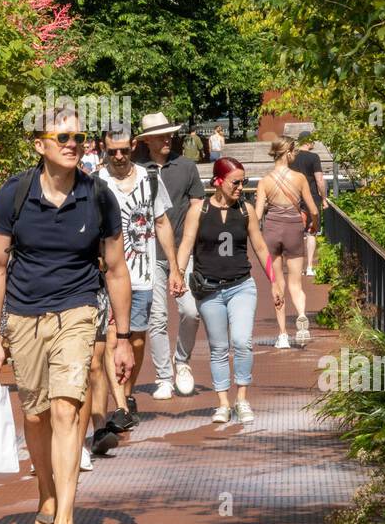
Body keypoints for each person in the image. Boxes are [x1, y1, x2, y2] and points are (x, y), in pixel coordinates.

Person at [0, 108, 134, 524]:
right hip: (24, 314)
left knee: (67, 407)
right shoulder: (15, 193)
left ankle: (66, 517)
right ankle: (46, 494)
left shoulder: (98, 196)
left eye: (79, 137)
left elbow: (116, 269)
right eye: (63, 137)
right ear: (40, 145)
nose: (73, 144)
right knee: (36, 413)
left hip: (78, 310)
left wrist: (121, 338)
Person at [177, 156, 281, 425]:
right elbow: (187, 243)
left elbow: (259, 247)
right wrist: (176, 274)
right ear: (218, 182)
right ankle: (223, 403)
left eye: (244, 182)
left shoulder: (245, 211)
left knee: (243, 342)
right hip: (209, 290)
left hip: (241, 287)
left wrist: (274, 280)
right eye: (236, 182)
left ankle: (242, 399)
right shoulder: (198, 211)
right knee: (219, 348)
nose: (240, 187)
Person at [99, 129, 185, 405]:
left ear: (134, 145)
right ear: (104, 148)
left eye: (124, 150)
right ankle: (121, 407)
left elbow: (161, 222)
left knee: (136, 339)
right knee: (113, 338)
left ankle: (127, 394)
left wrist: (174, 267)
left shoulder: (149, 178)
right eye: (113, 151)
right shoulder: (96, 183)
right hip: (108, 277)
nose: (119, 156)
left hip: (143, 275)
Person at [136, 112, 207, 399]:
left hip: (182, 250)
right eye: (160, 135)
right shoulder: (136, 169)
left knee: (191, 310)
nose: (167, 139)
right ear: (147, 140)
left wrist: (184, 251)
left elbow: (196, 204)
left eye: (169, 134)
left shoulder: (186, 166)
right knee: (157, 318)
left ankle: (182, 362)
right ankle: (164, 376)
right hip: (148, 254)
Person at [255, 140, 320, 349]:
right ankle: (301, 315)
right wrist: (314, 227)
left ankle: (282, 335)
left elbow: (256, 216)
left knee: (277, 284)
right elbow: (314, 210)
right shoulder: (299, 178)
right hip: (294, 228)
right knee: (295, 284)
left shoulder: (264, 181)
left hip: (272, 230)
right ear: (289, 153)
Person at [291, 133, 327, 277]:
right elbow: (319, 180)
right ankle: (310, 266)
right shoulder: (314, 157)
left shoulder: (292, 157)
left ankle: (297, 268)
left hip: (294, 199)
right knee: (311, 233)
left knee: (296, 234)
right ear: (308, 142)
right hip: (311, 198)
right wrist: (324, 198)